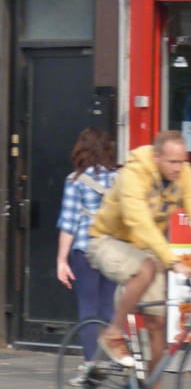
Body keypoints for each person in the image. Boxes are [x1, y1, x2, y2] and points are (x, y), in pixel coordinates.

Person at [87, 129, 191, 389]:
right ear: (156, 157)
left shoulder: (185, 176)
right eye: (172, 162)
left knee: (157, 325)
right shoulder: (134, 173)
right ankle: (112, 334)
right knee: (147, 270)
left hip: (143, 249)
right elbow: (139, 222)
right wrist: (172, 261)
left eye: (183, 161)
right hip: (107, 240)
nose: (178, 168)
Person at [56, 127, 119, 365]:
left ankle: (91, 364)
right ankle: (113, 359)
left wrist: (61, 260)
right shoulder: (118, 179)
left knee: (88, 307)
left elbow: (69, 223)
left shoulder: (75, 181)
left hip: (86, 249)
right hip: (113, 248)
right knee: (108, 306)